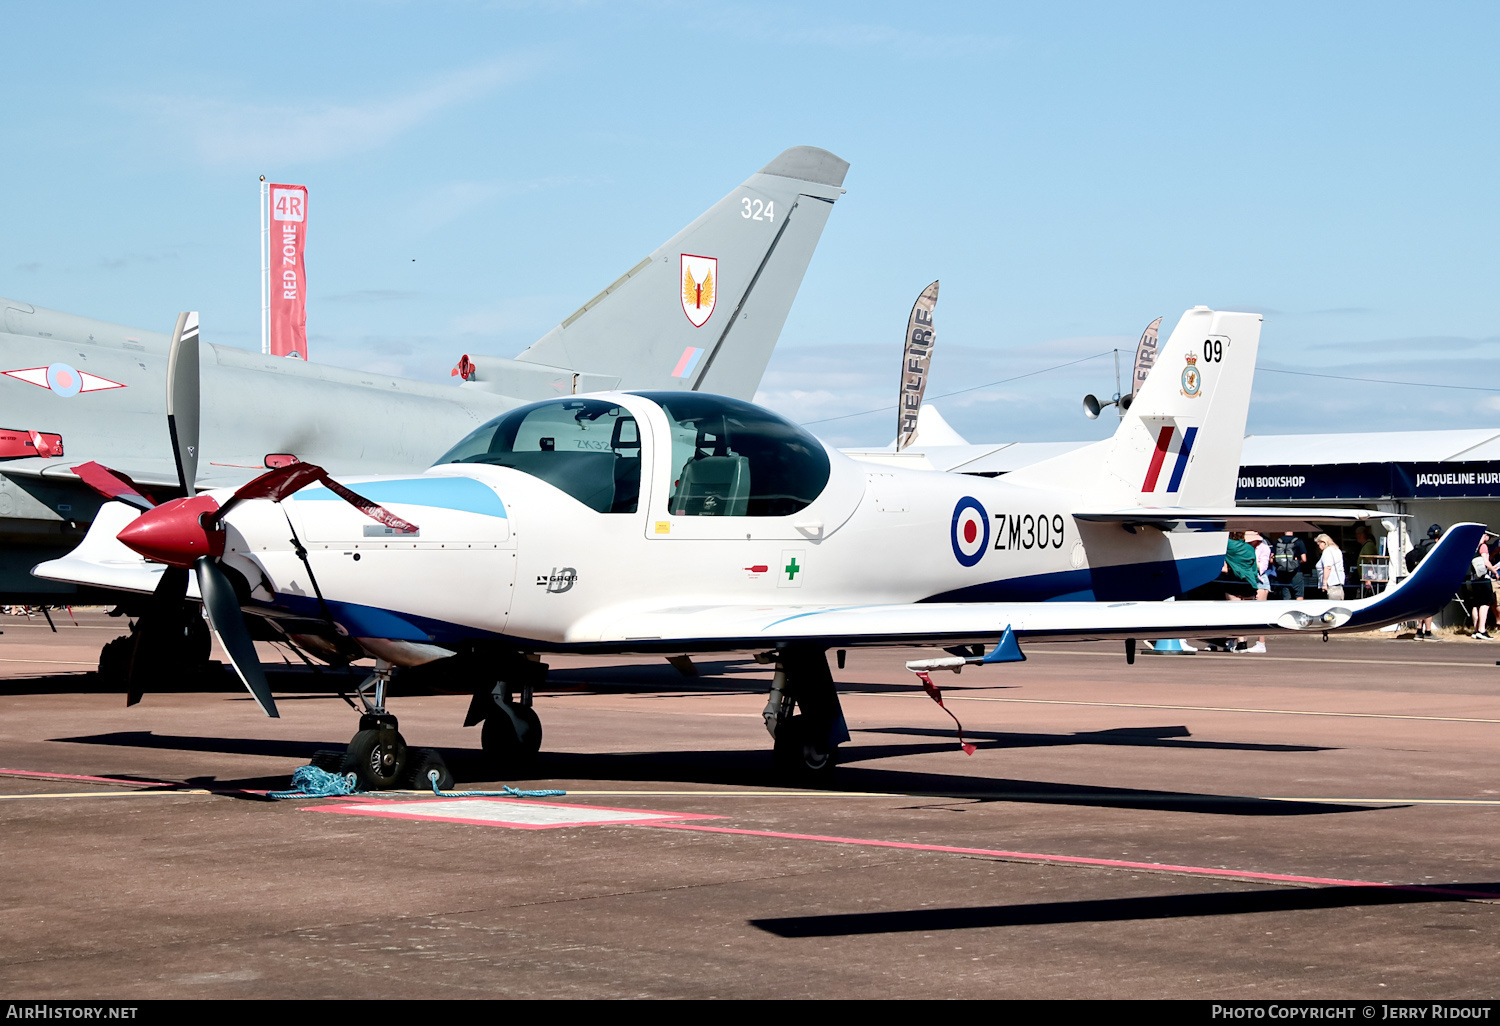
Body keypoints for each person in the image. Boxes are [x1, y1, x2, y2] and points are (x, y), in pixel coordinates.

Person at [1409, 524, 1442, 639]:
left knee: (1422, 605)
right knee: (1429, 606)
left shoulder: (1420, 545)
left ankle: (1419, 630)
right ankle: (1428, 632)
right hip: (1430, 580)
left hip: (1418, 579)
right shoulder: (1435, 547)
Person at [1470, 533, 1497, 640]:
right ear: (1484, 535)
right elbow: (1486, 562)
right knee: (1485, 603)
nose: (1488, 539)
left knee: (1476, 604)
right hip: (1483, 579)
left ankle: (1476, 630)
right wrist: (1495, 572)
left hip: (1474, 579)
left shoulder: (1472, 547)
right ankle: (1482, 630)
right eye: (1488, 536)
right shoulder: (1483, 546)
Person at [1272, 531, 1309, 600]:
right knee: (1299, 594)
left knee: (1285, 594)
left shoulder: (1277, 542)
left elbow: (1271, 559)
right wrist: (1296, 563)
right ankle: (1299, 609)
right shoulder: (1298, 541)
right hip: (1296, 572)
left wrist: (1279, 565)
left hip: (1282, 572)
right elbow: (1304, 559)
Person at [1314, 533, 1345, 602]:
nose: (1318, 547)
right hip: (1338, 584)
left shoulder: (1327, 551)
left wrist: (1324, 583)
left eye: (1318, 544)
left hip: (1330, 585)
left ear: (1324, 542)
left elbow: (1327, 567)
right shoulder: (1337, 550)